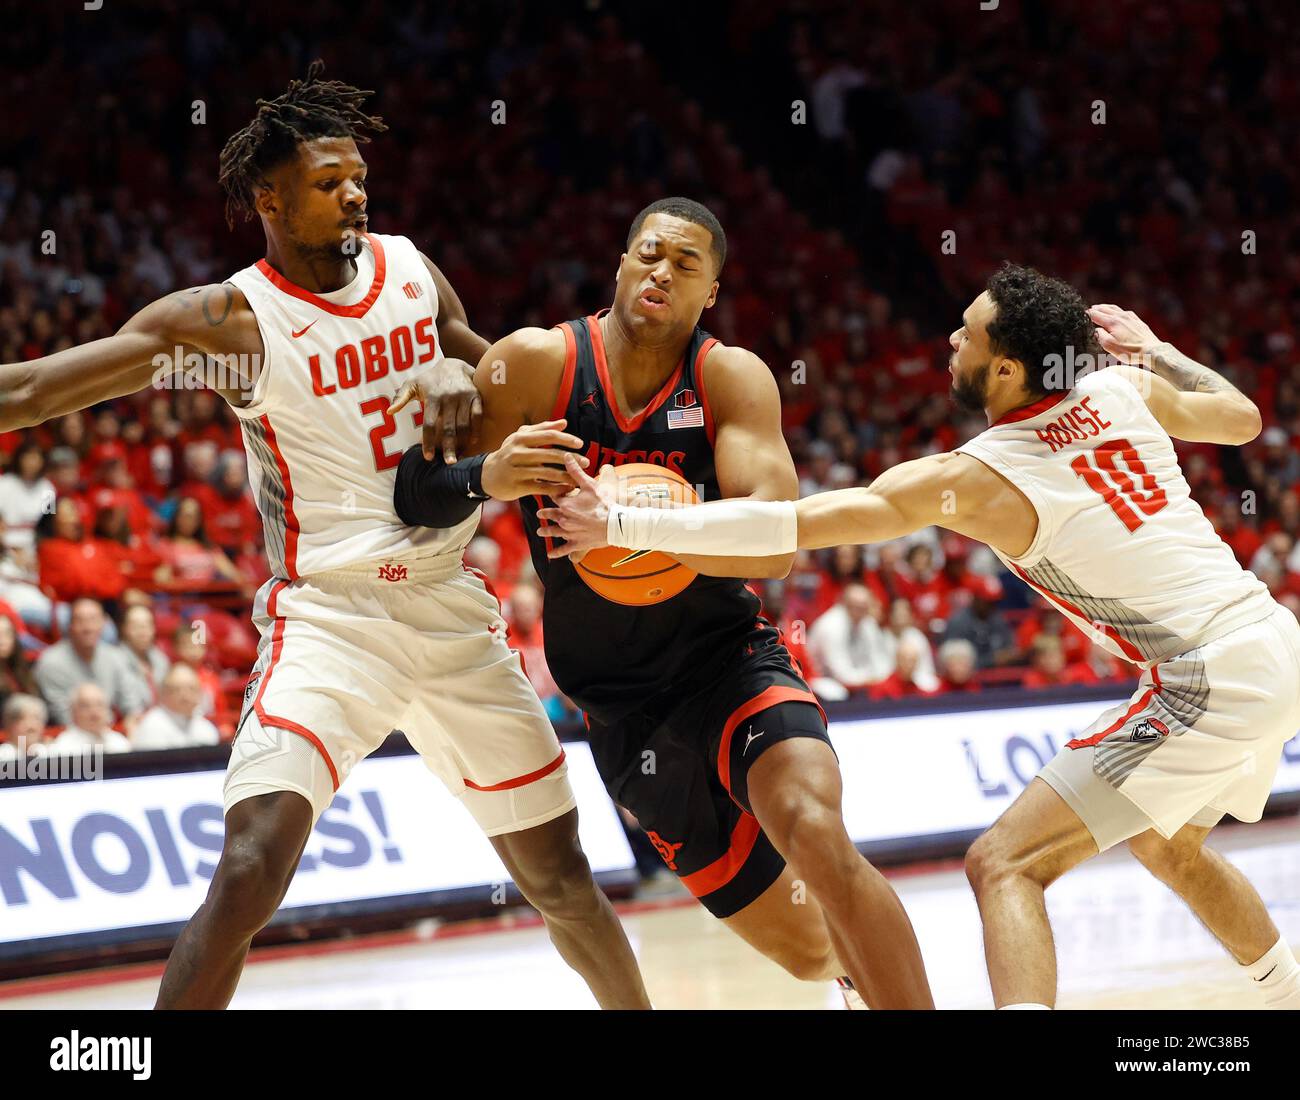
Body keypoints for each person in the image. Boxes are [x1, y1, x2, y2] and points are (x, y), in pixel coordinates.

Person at [0, 64, 647, 1011]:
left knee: (561, 879)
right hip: (331, 620)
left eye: (358, 179)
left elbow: (514, 377)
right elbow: (31, 392)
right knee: (252, 864)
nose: (355, 194)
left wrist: (487, 393)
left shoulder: (411, 270)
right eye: (328, 182)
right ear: (268, 199)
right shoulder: (228, 321)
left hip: (448, 606)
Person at [545, 263, 1300, 1011]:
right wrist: (1156, 348)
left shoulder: (978, 477)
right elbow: (1241, 419)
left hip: (1207, 675)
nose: (949, 340)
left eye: (965, 335)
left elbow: (794, 525)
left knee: (1003, 864)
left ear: (1005, 368)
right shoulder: (1119, 387)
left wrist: (620, 523)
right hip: (1272, 639)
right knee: (1167, 844)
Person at [397, 197, 934, 1008]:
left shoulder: (729, 376)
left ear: (709, 293)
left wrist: (631, 522)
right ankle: (859, 975)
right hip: (622, 709)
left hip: (729, 661)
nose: (662, 273)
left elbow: (776, 539)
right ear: (620, 261)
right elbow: (418, 490)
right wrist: (483, 463)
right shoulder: (542, 364)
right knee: (808, 952)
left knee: (815, 828)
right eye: (651, 254)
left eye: (688, 267)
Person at [33, 598, 151, 729]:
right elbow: (63, 716)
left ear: (104, 623)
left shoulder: (115, 656)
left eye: (93, 620)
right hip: (69, 738)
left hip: (108, 734)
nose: (88, 627)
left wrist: (133, 719)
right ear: (70, 625)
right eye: (80, 621)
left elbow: (131, 704)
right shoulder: (51, 662)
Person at [132, 664, 221, 750]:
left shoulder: (206, 728)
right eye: (177, 690)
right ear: (162, 694)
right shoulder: (152, 727)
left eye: (192, 689)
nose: (186, 696)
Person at [46, 682, 132, 755]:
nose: (94, 713)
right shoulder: (62, 747)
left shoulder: (120, 742)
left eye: (99, 705)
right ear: (73, 712)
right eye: (86, 706)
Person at [0, 693, 47, 760]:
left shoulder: (51, 753)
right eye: (23, 719)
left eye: (36, 718)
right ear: (9, 724)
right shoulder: (2, 756)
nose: (31, 726)